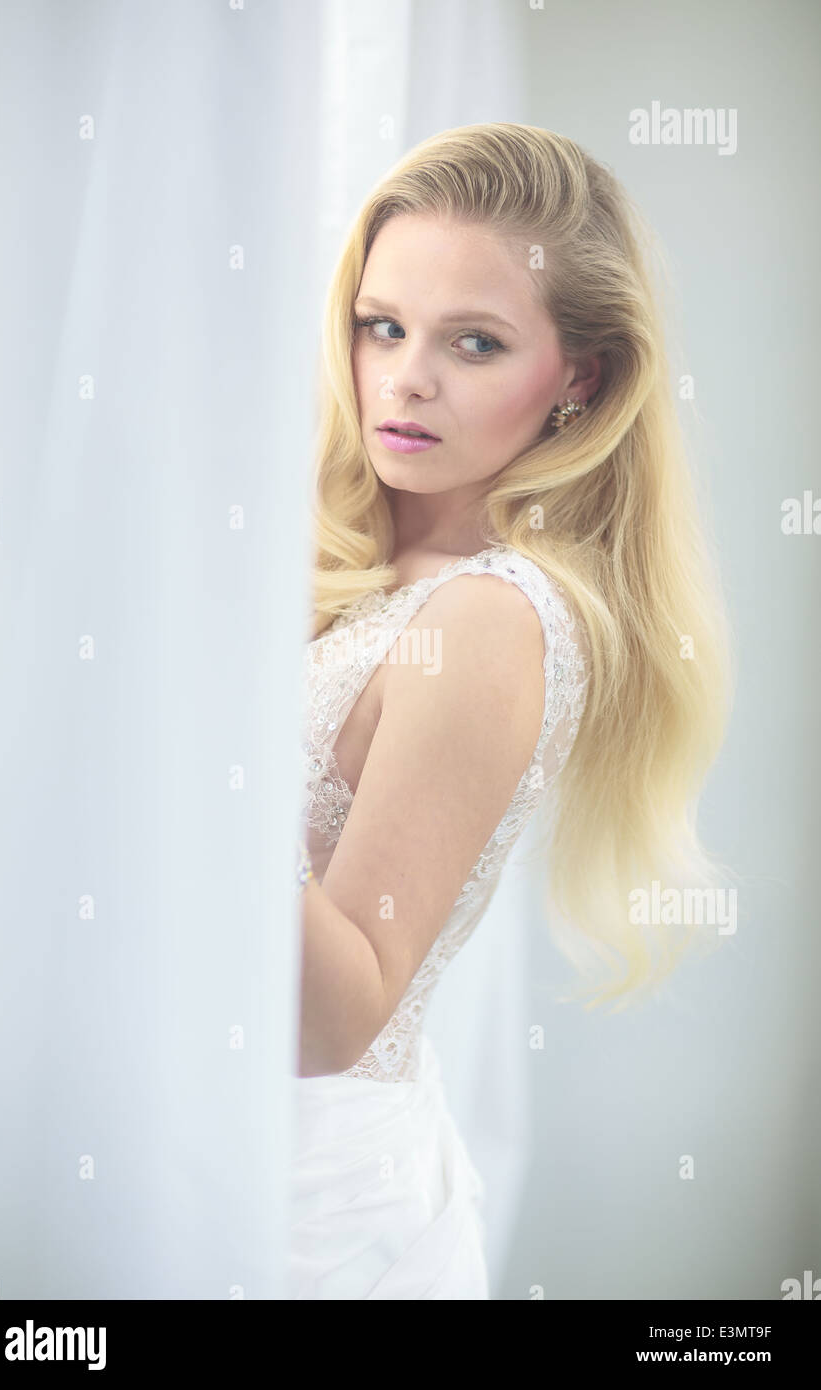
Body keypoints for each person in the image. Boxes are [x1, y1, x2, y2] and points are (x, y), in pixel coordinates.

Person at [290, 123, 731, 1300]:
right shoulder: (344, 558)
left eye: (471, 342)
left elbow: (335, 1016)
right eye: (381, 325)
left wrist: (173, 756)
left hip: (302, 1205)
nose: (404, 377)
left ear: (578, 378)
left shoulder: (489, 621)